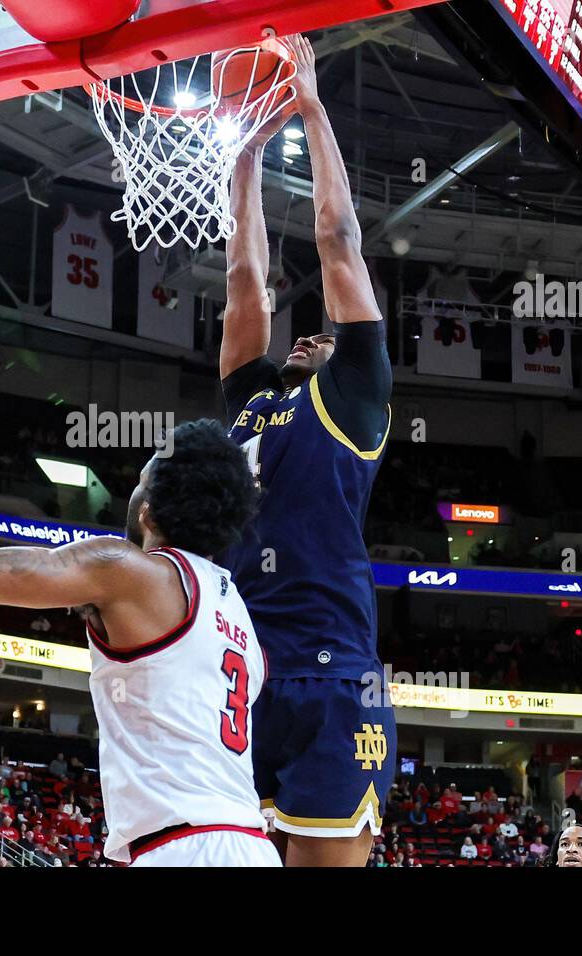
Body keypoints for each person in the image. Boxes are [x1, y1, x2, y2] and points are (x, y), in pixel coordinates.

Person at [0, 419, 276, 867]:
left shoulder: (124, 569)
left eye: (139, 482)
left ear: (148, 511)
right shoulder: (240, 618)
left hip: (184, 850)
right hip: (249, 845)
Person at [217, 35, 393, 867]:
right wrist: (245, 154)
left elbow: (338, 242)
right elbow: (244, 283)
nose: (308, 335)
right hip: (236, 673)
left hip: (334, 679)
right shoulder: (249, 401)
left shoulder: (353, 396)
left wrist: (312, 110)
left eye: (322, 332)